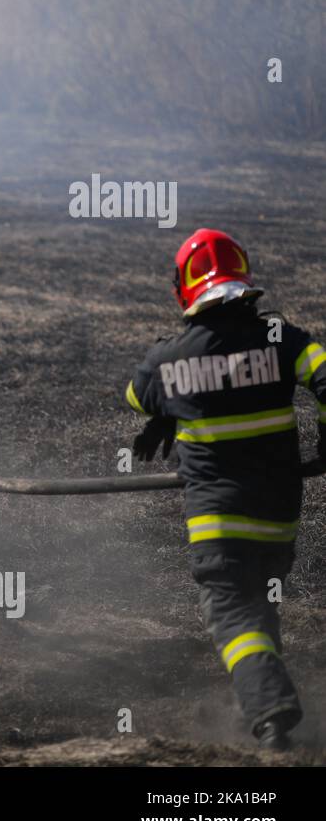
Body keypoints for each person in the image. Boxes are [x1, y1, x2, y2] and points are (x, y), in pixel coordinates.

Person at [126, 228, 326, 749]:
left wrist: (172, 407)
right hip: (279, 515)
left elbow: (136, 395)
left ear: (185, 290)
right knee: (257, 603)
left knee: (231, 610)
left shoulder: (169, 358)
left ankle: (270, 709)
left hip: (219, 519)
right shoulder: (283, 340)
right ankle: (258, 702)